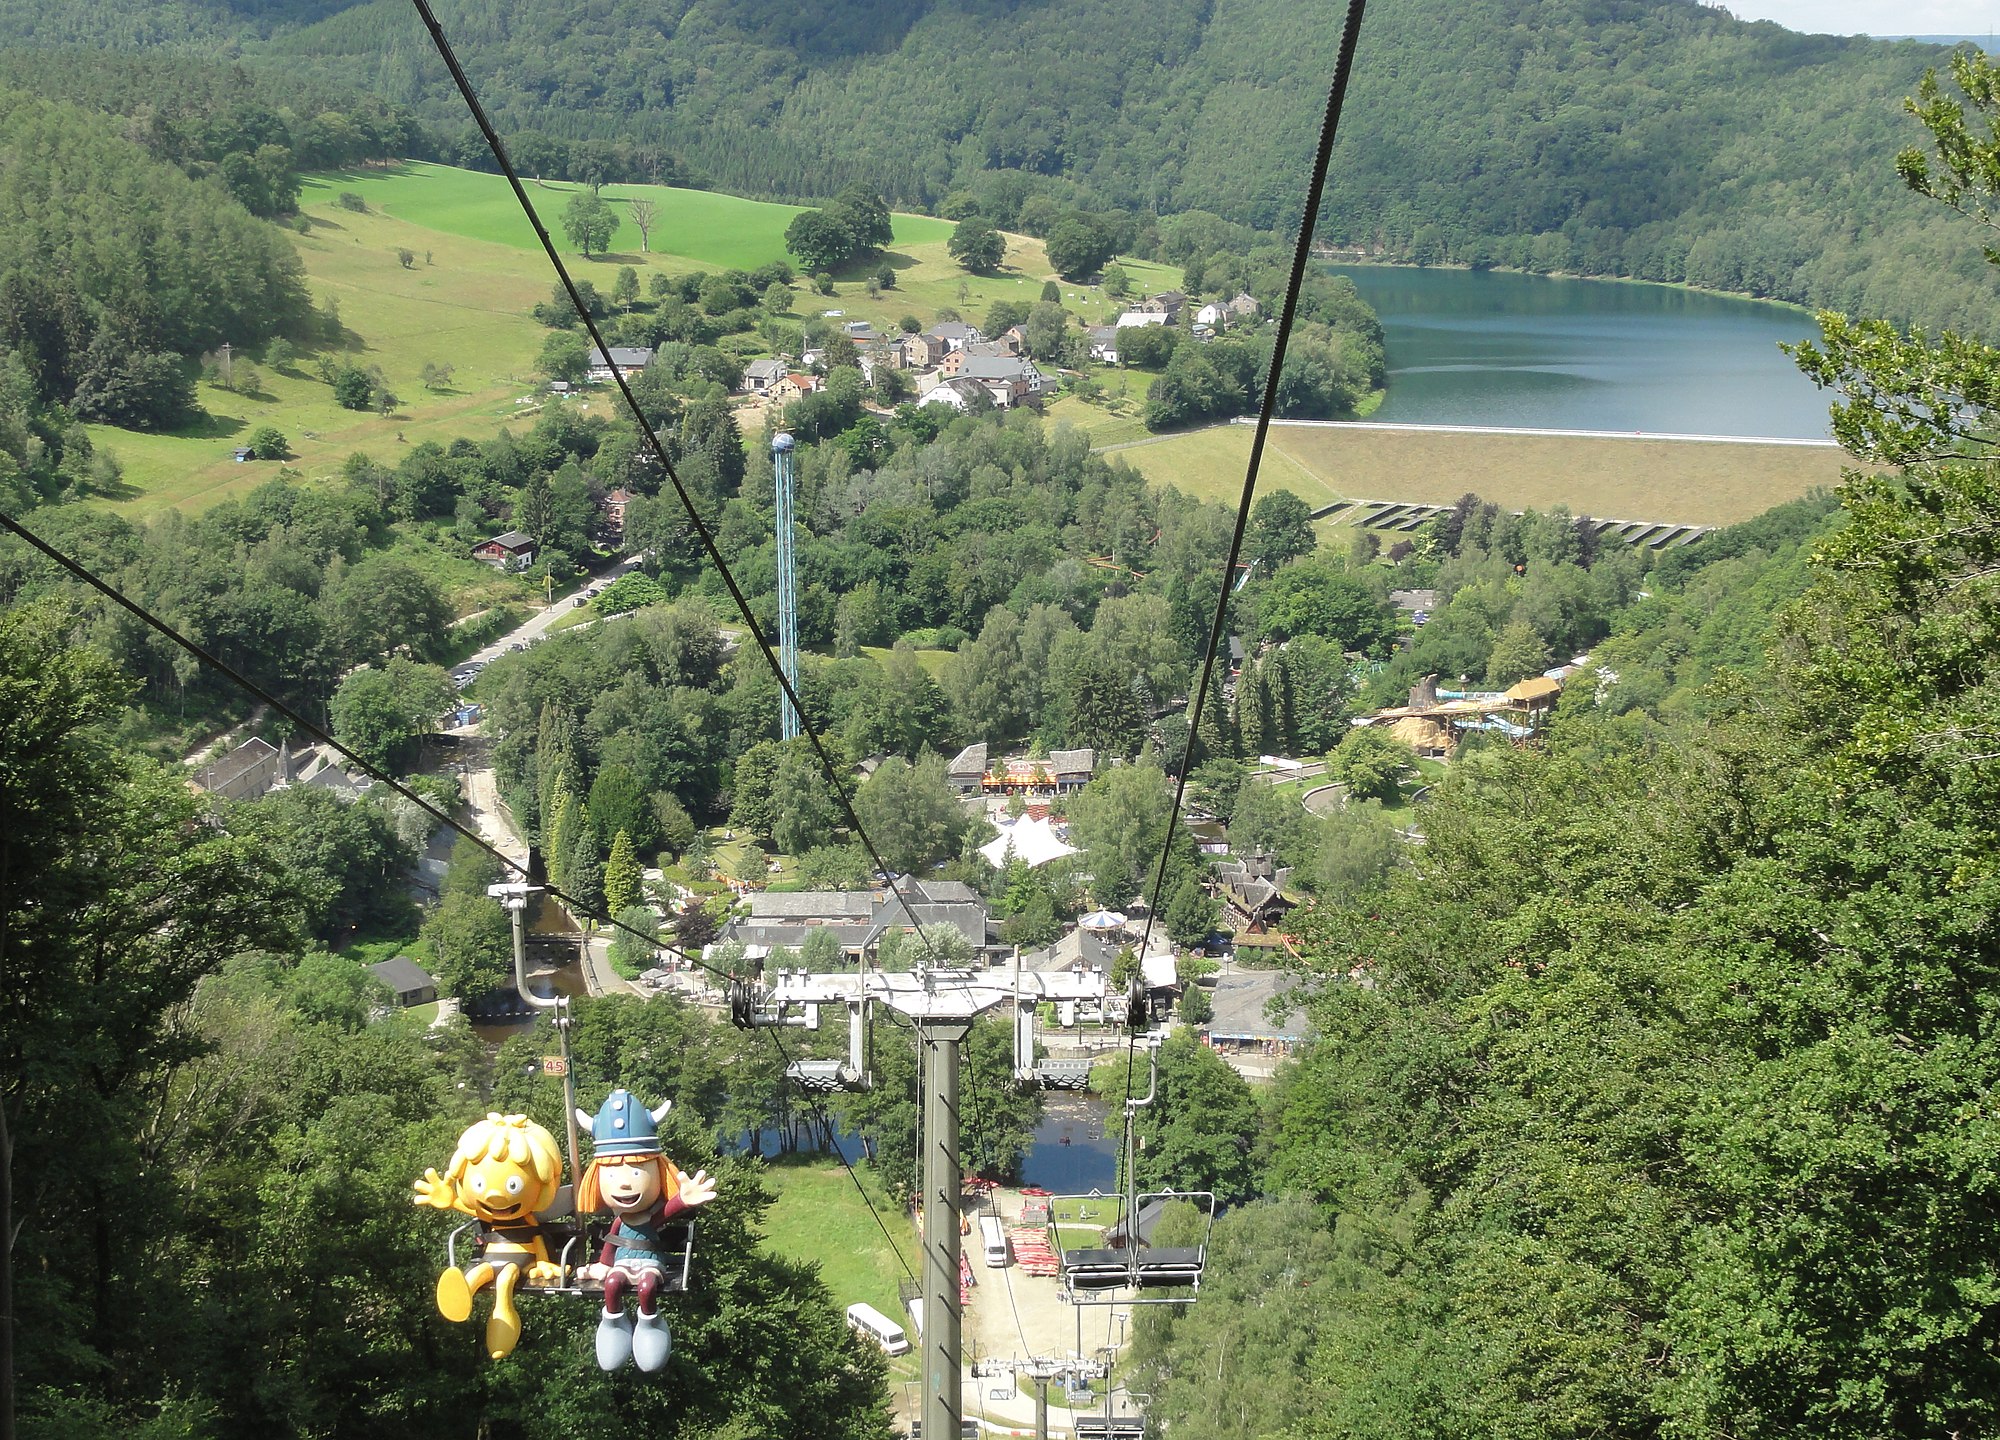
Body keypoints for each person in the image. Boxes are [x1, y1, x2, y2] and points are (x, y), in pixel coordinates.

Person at [575, 1089, 718, 1371]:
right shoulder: (620, 1222)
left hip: (649, 1264)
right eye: (613, 1174)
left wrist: (683, 1199)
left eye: (637, 1172)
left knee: (646, 1286)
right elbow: (610, 1247)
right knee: (613, 1283)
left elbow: (666, 1213)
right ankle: (613, 1322)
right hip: (623, 1264)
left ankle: (649, 1320)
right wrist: (601, 1267)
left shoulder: (648, 1219)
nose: (625, 1184)